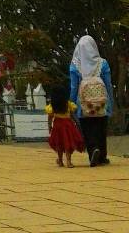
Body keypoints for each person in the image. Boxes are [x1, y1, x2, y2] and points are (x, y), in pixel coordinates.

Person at [69, 35, 114, 166]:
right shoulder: (103, 63)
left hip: (84, 104)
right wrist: (110, 101)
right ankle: (103, 157)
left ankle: (93, 149)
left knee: (87, 129)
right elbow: (108, 84)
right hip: (101, 102)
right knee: (101, 127)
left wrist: (71, 104)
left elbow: (74, 87)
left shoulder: (75, 65)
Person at [46, 85, 84, 167]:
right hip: (68, 125)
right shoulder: (67, 104)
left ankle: (60, 161)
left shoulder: (53, 105)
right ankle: (69, 162)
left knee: (59, 143)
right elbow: (72, 115)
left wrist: (49, 126)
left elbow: (50, 117)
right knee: (68, 143)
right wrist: (78, 124)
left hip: (57, 125)